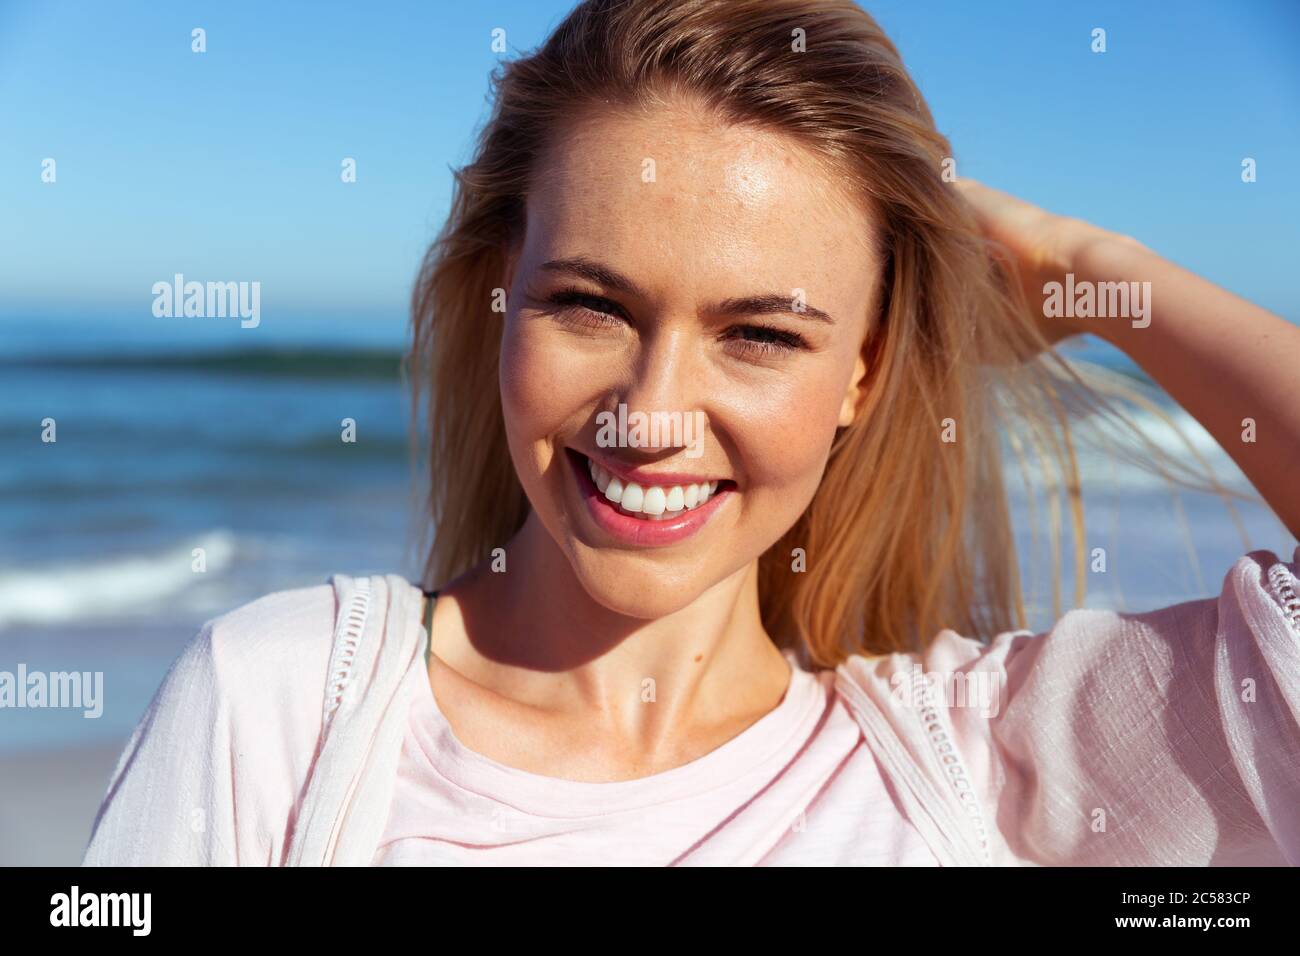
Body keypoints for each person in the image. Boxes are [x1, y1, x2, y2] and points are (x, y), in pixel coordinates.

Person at [82, 0, 1300, 867]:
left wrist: (1094, 270)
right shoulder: (284, 704)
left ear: (862, 376)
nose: (651, 414)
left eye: (760, 332)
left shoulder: (984, 765)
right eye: (590, 304)